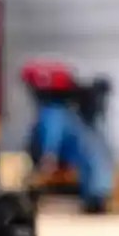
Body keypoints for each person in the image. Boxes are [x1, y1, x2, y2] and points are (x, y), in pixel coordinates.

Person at [21, 61, 113, 213]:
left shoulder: (55, 114)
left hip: (91, 184)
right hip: (96, 187)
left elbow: (52, 141)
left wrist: (48, 160)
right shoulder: (77, 118)